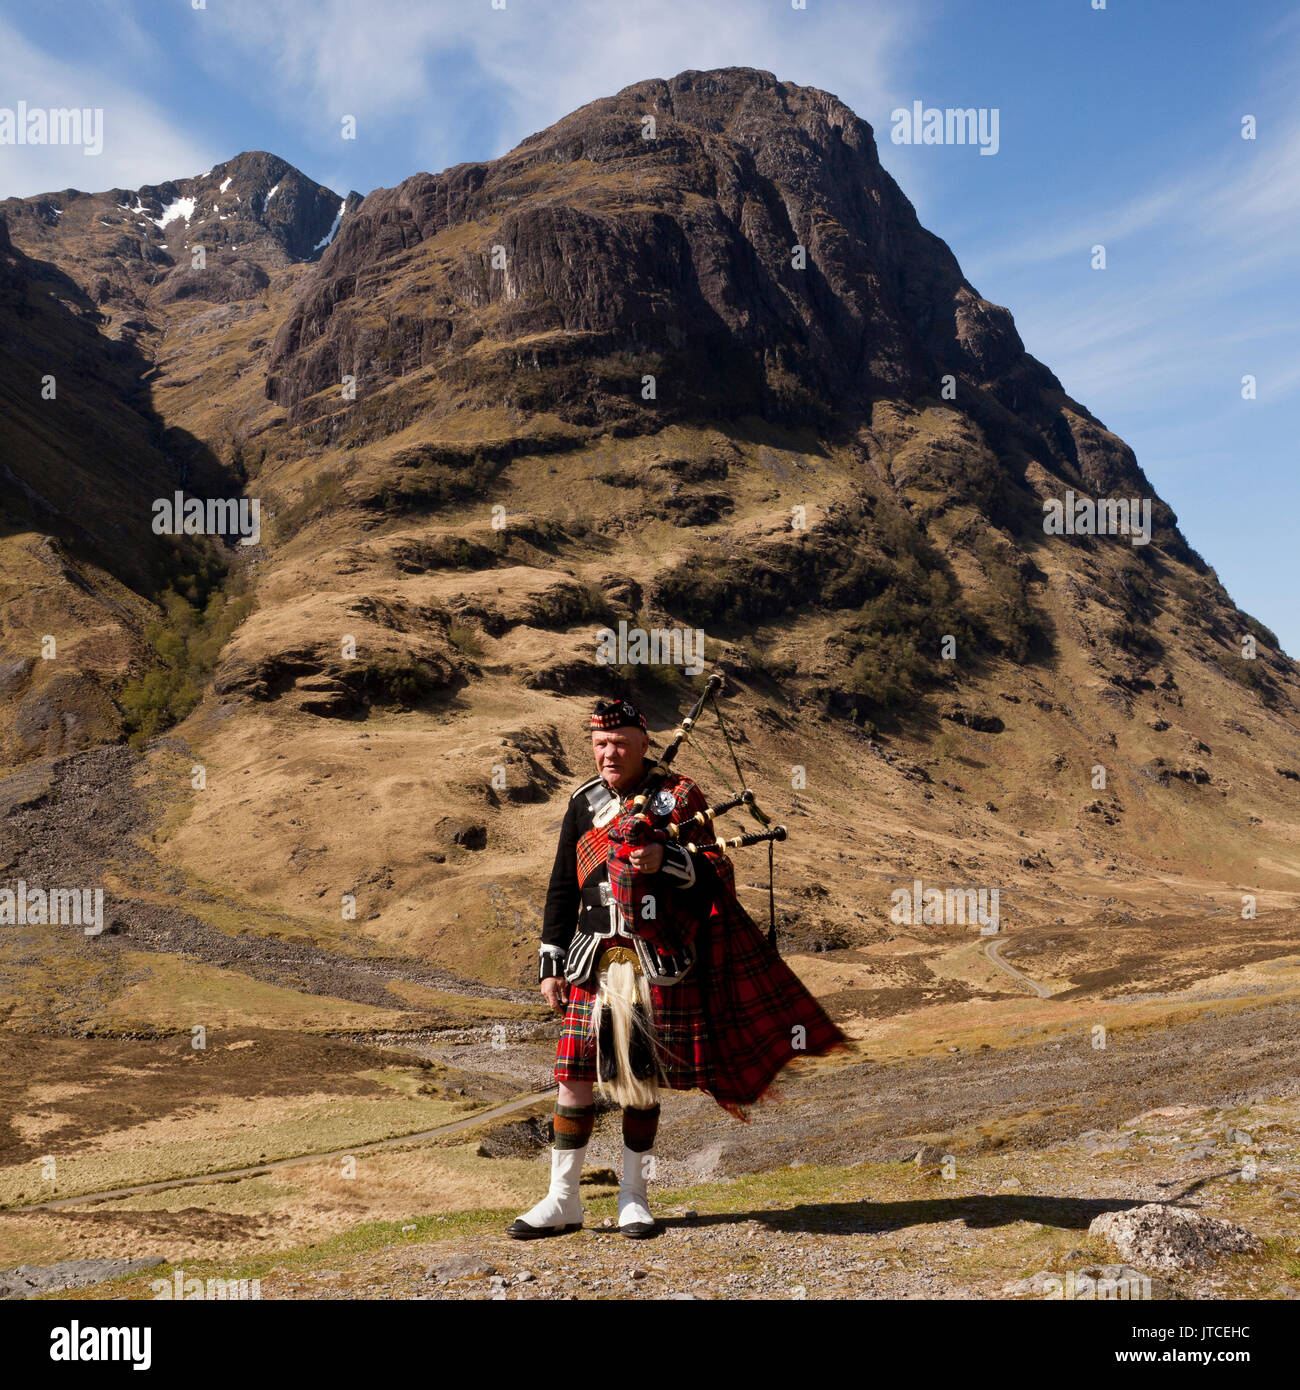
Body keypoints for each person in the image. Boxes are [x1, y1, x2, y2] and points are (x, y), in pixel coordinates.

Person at [506, 695, 847, 1240]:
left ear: (644, 743)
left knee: (641, 1082)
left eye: (619, 743)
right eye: (599, 744)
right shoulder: (583, 801)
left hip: (654, 959)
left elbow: (716, 872)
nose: (608, 754)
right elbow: (563, 887)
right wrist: (550, 960)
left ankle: (633, 1198)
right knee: (572, 1080)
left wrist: (667, 860)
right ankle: (562, 1200)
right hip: (592, 959)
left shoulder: (679, 796)